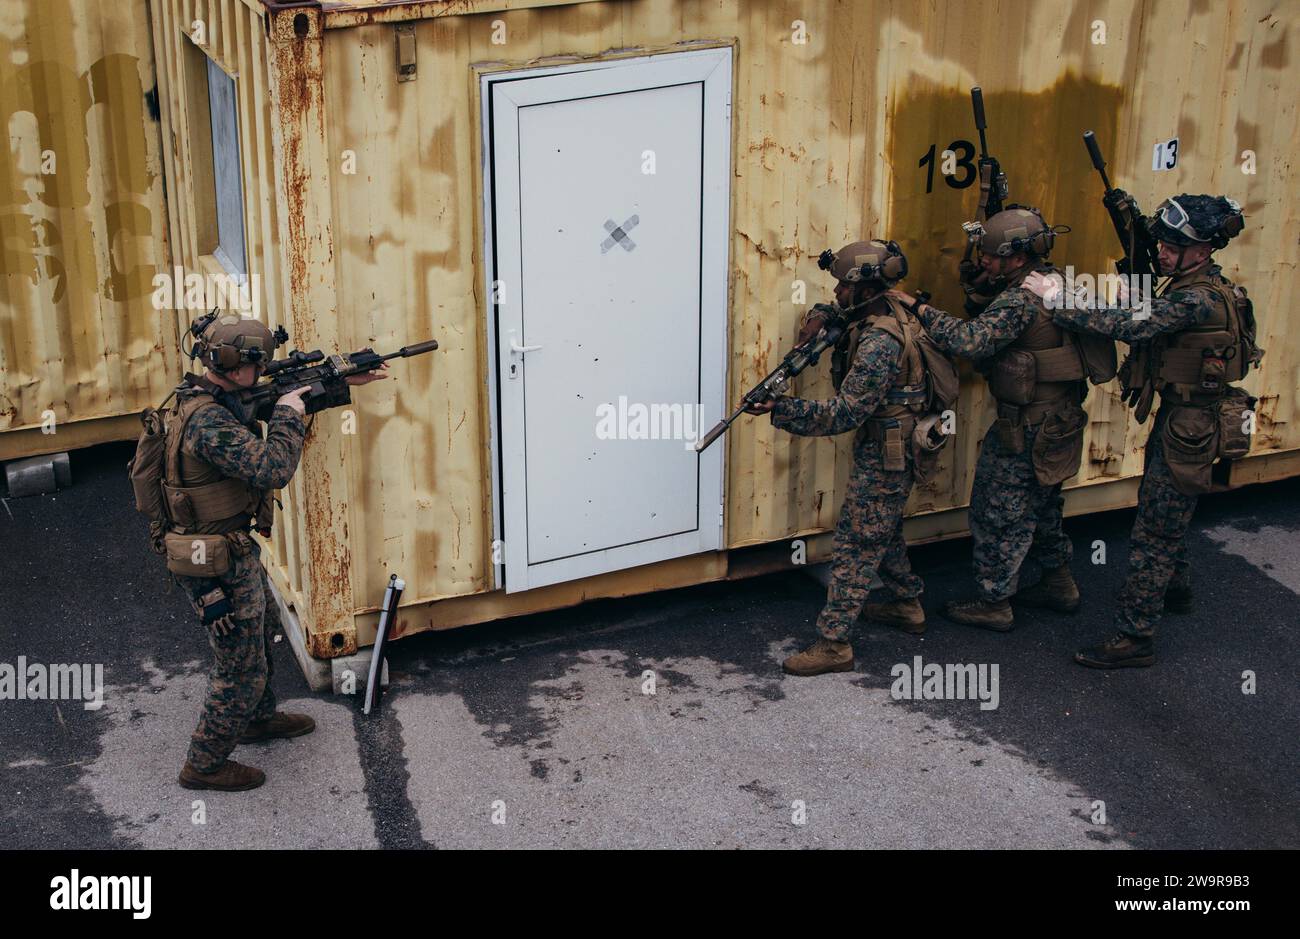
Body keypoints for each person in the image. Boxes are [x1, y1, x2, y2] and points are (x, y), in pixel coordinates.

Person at [1022, 193, 1259, 667]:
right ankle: (1177, 590)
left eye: (1174, 244)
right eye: (1163, 241)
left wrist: (1058, 300)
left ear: (1204, 249)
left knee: (1153, 531)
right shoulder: (1210, 288)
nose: (1164, 251)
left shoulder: (1195, 299)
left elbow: (1130, 325)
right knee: (1169, 509)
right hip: (1187, 420)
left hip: (1189, 425)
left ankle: (1134, 638)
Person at [165, 313, 386, 790]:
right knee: (238, 665)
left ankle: (256, 718)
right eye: (259, 363)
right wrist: (289, 413)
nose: (264, 371)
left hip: (227, 548)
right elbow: (270, 467)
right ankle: (203, 764)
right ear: (238, 365)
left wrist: (339, 382)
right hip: (212, 560)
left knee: (261, 626)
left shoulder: (207, 396)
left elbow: (261, 403)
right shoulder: (209, 423)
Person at [890, 206, 1098, 632]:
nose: (982, 259)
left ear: (1018, 258)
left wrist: (918, 308)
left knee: (996, 511)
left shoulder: (1020, 299)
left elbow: (972, 341)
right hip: (1060, 421)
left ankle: (995, 603)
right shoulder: (1056, 282)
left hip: (1026, 428)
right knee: (1043, 506)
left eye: (990, 254)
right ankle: (1060, 585)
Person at [751, 241, 947, 676]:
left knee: (857, 541)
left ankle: (834, 643)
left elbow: (845, 413)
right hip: (895, 441)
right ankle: (905, 604)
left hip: (890, 450)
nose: (837, 290)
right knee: (884, 525)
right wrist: (820, 315)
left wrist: (781, 410)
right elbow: (837, 312)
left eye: (843, 285)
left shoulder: (879, 340)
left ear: (866, 288)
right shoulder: (890, 309)